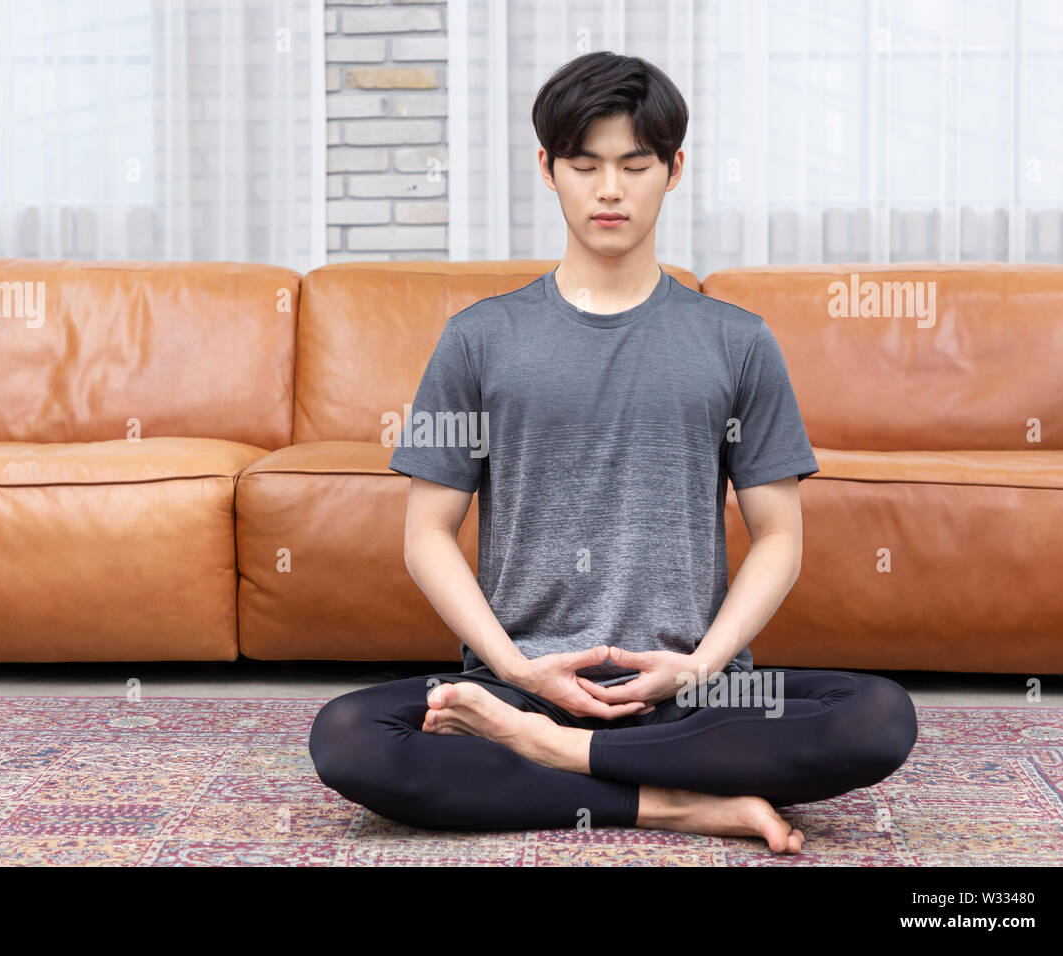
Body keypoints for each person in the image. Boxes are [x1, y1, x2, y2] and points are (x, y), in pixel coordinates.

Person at [309, 51, 917, 855]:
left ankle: (560, 761)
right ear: (547, 169)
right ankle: (681, 802)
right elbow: (426, 535)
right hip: (520, 687)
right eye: (584, 164)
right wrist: (517, 674)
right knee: (347, 735)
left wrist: (698, 666)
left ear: (674, 171)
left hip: (692, 693)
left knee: (878, 717)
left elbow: (779, 538)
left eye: (635, 164)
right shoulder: (475, 339)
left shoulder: (737, 341)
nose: (609, 189)